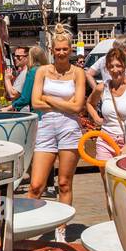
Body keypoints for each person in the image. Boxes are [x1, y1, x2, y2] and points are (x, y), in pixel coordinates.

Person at [29, 26, 88, 235]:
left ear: (71, 50)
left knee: (64, 183)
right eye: (58, 49)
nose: (61, 52)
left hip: (69, 128)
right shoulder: (42, 72)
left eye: (65, 49)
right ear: (51, 50)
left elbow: (78, 107)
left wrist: (49, 98)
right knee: (36, 185)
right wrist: (64, 102)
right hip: (46, 127)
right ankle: (31, 225)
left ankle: (61, 230)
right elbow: (35, 102)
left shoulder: (78, 73)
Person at [85, 45, 126, 160]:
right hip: (106, 139)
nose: (115, 70)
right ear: (107, 68)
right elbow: (89, 103)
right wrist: (96, 118)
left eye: (118, 66)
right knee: (106, 176)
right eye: (111, 66)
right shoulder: (102, 87)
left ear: (125, 66)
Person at [11, 47, 48, 113]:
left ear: (30, 57)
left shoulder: (32, 72)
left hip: (38, 114)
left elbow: (25, 98)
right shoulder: (48, 70)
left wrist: (10, 107)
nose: (15, 58)